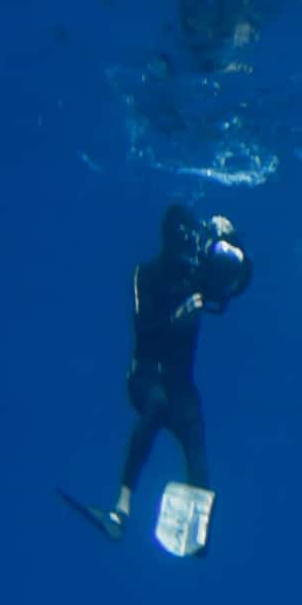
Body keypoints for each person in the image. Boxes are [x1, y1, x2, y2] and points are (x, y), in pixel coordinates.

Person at [67, 205, 249, 553]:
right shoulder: (147, 274)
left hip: (181, 382)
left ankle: (195, 527)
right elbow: (143, 329)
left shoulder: (197, 274)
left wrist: (232, 239)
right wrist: (175, 319)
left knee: (195, 436)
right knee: (156, 404)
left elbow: (238, 283)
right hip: (145, 373)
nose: (188, 251)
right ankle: (121, 508)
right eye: (183, 242)